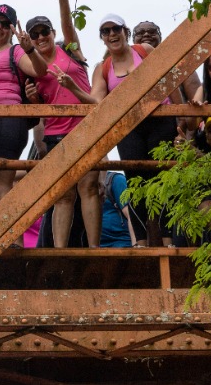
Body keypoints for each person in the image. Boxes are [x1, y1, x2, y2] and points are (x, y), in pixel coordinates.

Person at [61, 12, 180, 246]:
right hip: (129, 127)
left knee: (165, 177)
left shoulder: (144, 51)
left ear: (125, 32)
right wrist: (73, 87)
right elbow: (97, 102)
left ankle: (169, 240)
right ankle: (141, 241)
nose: (112, 34)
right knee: (135, 181)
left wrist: (181, 117)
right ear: (102, 38)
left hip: (159, 120)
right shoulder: (103, 68)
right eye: (106, 31)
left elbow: (170, 81)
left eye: (116, 29)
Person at [26, 0, 101, 247]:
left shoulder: (70, 50)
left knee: (89, 187)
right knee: (63, 193)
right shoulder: (31, 66)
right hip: (56, 132)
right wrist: (32, 97)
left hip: (87, 125)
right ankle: (59, 250)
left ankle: (94, 248)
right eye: (35, 34)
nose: (41, 36)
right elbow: (37, 106)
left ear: (52, 33)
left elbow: (68, 25)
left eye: (45, 31)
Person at [0, 2, 46, 206]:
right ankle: (7, 238)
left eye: (6, 24)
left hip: (9, 118)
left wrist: (29, 49)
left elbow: (39, 71)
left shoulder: (15, 51)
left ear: (12, 30)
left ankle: (15, 239)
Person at [135, 20, 202, 103]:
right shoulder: (126, 66)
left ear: (160, 37)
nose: (146, 34)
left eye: (152, 32)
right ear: (134, 40)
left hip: (176, 113)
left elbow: (196, 95)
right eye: (140, 33)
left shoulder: (179, 62)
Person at [98, 170, 135, 247]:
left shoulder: (116, 180)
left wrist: (135, 245)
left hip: (120, 241)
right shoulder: (82, 186)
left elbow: (131, 215)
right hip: (96, 244)